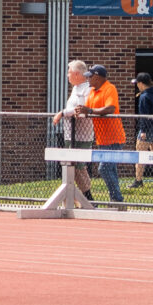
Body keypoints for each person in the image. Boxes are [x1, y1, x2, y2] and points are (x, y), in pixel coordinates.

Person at [80, 65, 126, 209]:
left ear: (97, 77)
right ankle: (116, 201)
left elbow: (110, 108)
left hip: (114, 137)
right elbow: (87, 110)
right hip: (102, 138)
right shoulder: (92, 91)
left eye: (90, 76)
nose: (88, 79)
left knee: (104, 169)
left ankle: (117, 200)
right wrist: (80, 111)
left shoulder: (109, 88)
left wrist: (91, 110)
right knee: (110, 169)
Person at [50, 60, 96, 201]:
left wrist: (63, 113)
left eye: (69, 72)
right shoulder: (76, 88)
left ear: (76, 74)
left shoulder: (87, 89)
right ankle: (75, 198)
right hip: (71, 135)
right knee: (71, 166)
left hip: (82, 136)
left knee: (78, 167)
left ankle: (89, 199)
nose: (67, 75)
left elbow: (81, 109)